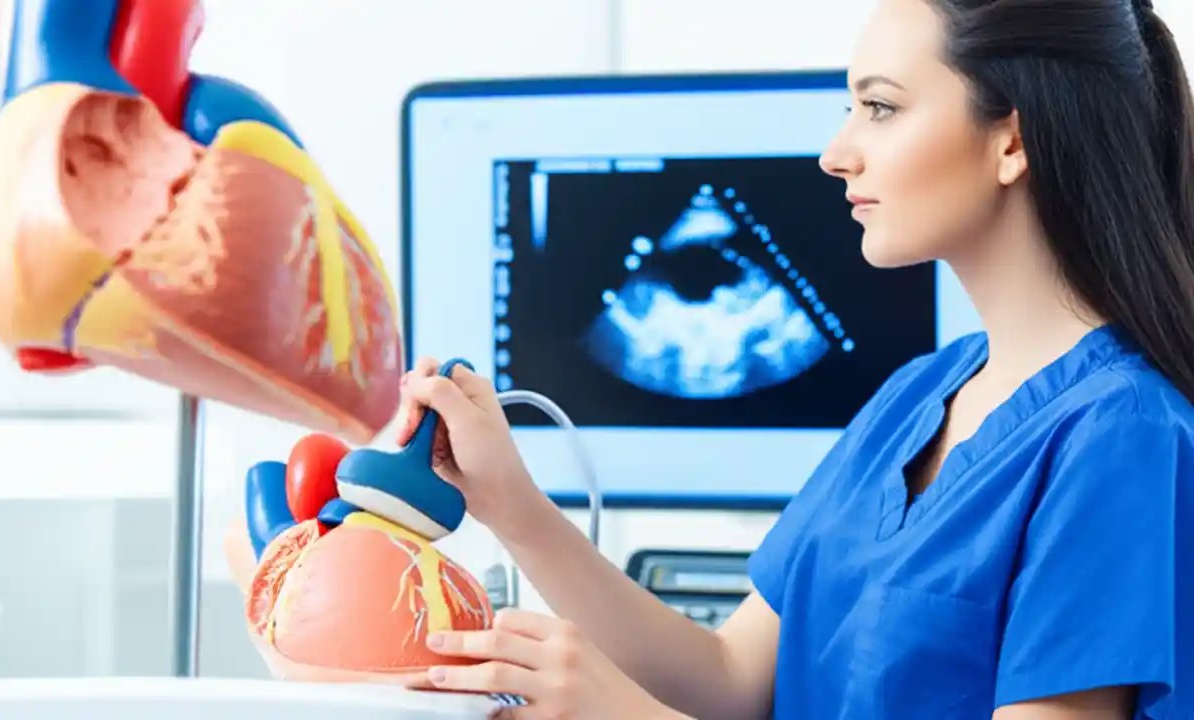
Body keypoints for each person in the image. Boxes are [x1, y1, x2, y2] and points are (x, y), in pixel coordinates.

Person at [394, 0, 1194, 717]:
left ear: (1013, 140)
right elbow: (728, 677)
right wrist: (512, 504)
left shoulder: (1123, 436)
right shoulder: (920, 394)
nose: (836, 153)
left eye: (880, 108)